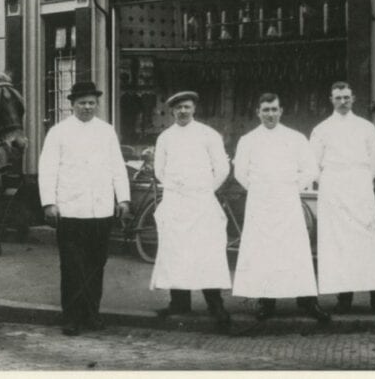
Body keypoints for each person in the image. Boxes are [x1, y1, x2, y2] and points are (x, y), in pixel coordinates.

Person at [38, 80, 131, 336]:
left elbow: (117, 168)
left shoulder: (107, 131)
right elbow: (47, 170)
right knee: (71, 265)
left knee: (96, 264)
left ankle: (92, 314)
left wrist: (123, 199)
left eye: (91, 103)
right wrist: (49, 203)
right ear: (72, 105)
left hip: (100, 210)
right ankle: (71, 317)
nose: (87, 107)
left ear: (97, 104)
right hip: (69, 210)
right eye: (82, 103)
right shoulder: (58, 132)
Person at [309, 82, 375, 315]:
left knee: (369, 244)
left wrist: (361, 182)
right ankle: (344, 299)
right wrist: (333, 185)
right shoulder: (321, 129)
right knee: (340, 246)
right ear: (331, 100)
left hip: (361, 190)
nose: (343, 101)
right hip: (334, 192)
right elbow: (313, 164)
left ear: (353, 99)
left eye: (346, 97)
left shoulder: (366, 127)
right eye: (338, 97)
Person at [232, 92, 329, 323]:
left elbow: (310, 169)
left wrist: (290, 187)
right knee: (264, 252)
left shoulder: (295, 138)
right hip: (261, 203)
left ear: (281, 111)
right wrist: (260, 189)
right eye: (265, 110)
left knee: (295, 251)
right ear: (258, 112)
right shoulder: (247, 140)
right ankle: (267, 302)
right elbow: (240, 173)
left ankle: (306, 300)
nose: (270, 114)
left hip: (287, 202)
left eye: (274, 109)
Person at [150, 90, 232, 331]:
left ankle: (215, 304)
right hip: (176, 202)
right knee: (176, 251)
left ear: (194, 108)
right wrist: (176, 187)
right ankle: (179, 303)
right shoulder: (165, 137)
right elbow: (159, 169)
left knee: (207, 252)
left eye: (186, 107)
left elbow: (222, 168)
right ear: (172, 111)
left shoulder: (208, 135)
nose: (182, 111)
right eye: (178, 108)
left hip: (202, 202)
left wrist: (206, 189)